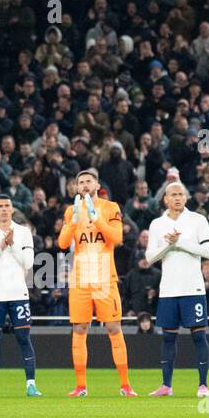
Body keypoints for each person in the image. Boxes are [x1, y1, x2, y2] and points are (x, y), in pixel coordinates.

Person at [56, 168, 134, 396]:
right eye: (81, 182)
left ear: (97, 185)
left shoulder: (111, 208)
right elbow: (62, 243)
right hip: (81, 279)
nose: (85, 185)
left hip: (104, 278)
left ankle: (125, 385)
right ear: (77, 187)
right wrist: (74, 221)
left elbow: (117, 238)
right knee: (79, 329)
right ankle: (80, 386)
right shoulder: (71, 211)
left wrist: (95, 218)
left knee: (113, 327)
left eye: (89, 181)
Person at [145, 182, 209, 397]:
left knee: (198, 336)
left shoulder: (197, 220)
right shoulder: (157, 224)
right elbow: (149, 258)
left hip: (192, 288)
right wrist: (169, 245)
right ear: (165, 199)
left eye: (181, 194)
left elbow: (208, 250)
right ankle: (166, 386)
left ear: (186, 198)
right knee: (168, 338)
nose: (177, 198)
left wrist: (180, 242)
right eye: (173, 194)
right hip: (168, 290)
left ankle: (203, 385)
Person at [0, 194, 40, 397]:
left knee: (23, 337)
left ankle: (31, 384)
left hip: (18, 293)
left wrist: (12, 245)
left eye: (7, 206)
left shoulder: (23, 232)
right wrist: (1, 247)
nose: (3, 209)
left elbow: (28, 264)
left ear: (12, 209)